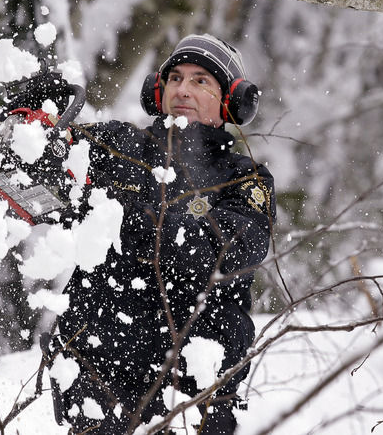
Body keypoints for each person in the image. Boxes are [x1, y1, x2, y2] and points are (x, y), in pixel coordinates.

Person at [41, 34, 275, 434]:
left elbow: (222, 252)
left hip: (189, 394)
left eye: (201, 80)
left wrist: (134, 219)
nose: (182, 89)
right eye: (175, 78)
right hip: (97, 381)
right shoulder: (115, 145)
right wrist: (33, 122)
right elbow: (42, 171)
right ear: (158, 89)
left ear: (231, 102)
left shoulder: (246, 178)